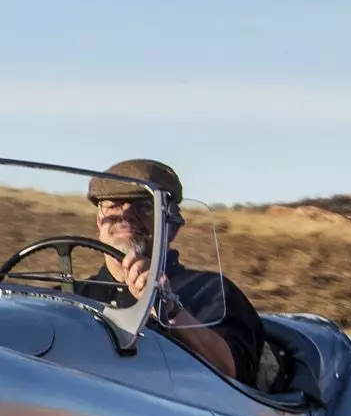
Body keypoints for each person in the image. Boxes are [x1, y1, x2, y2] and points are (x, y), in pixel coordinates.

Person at [88, 158, 262, 386]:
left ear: (172, 226)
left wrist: (168, 307)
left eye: (145, 207)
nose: (127, 216)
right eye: (114, 205)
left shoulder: (211, 291)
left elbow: (232, 370)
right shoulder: (71, 291)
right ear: (100, 221)